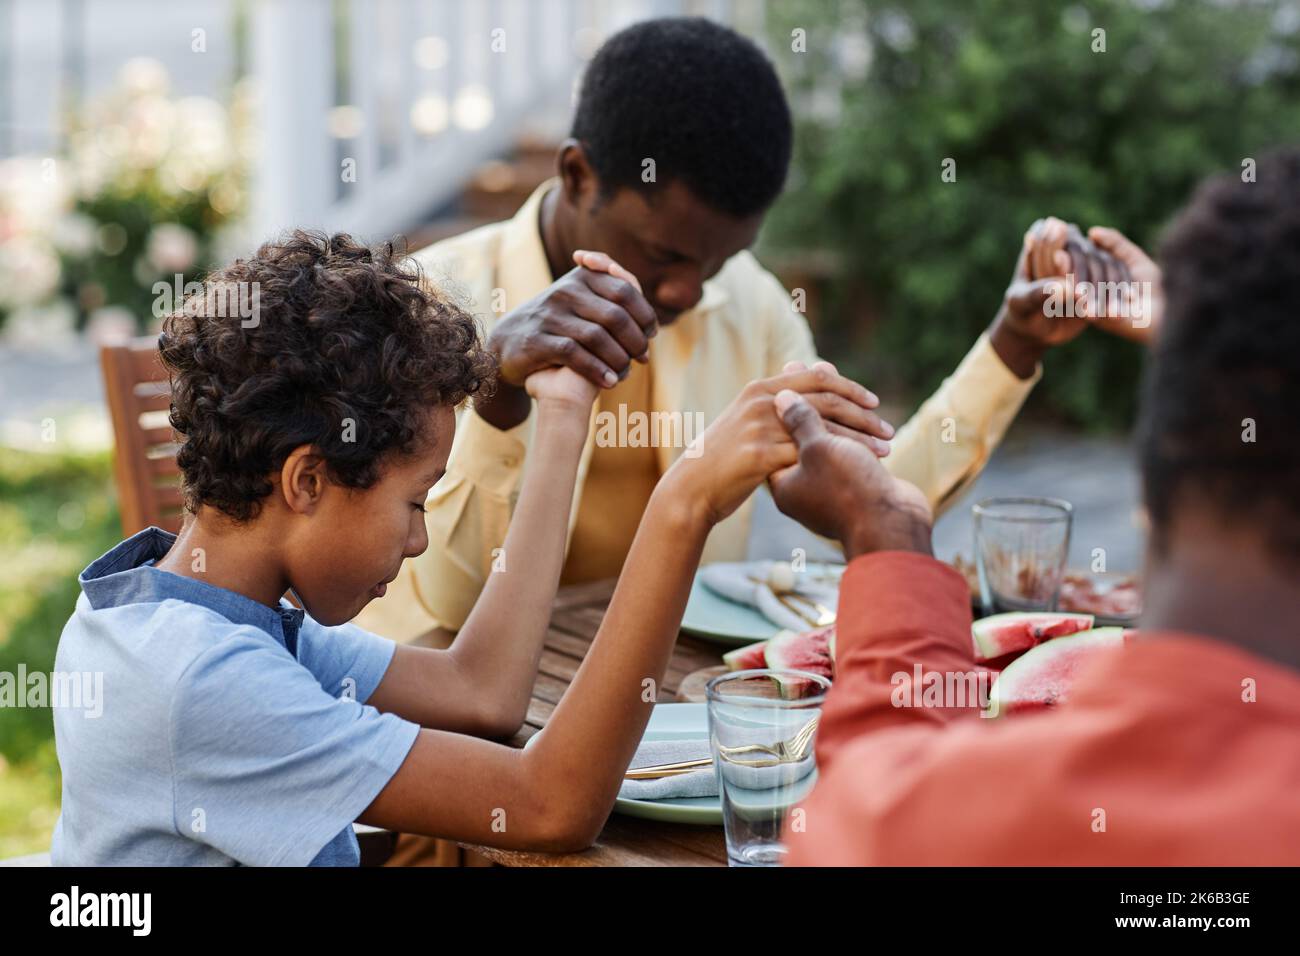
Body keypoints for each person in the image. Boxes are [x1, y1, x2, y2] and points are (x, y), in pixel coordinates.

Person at [49, 230, 881, 865]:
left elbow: (481, 691)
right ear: (306, 481)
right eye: (413, 502)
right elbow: (550, 806)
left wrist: (562, 414)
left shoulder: (205, 614)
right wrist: (683, 507)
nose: (417, 540)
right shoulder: (202, 682)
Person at [355, 16, 1139, 642]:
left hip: (665, 712)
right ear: (576, 174)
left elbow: (876, 488)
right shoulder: (430, 303)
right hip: (464, 731)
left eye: (721, 259)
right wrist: (497, 397)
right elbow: (442, 608)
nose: (687, 290)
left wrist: (1014, 342)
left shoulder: (749, 302)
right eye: (664, 253)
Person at [767, 149, 1300, 865]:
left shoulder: (994, 823)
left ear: (1149, 478)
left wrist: (882, 536)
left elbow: (867, 823)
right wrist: (1191, 334)